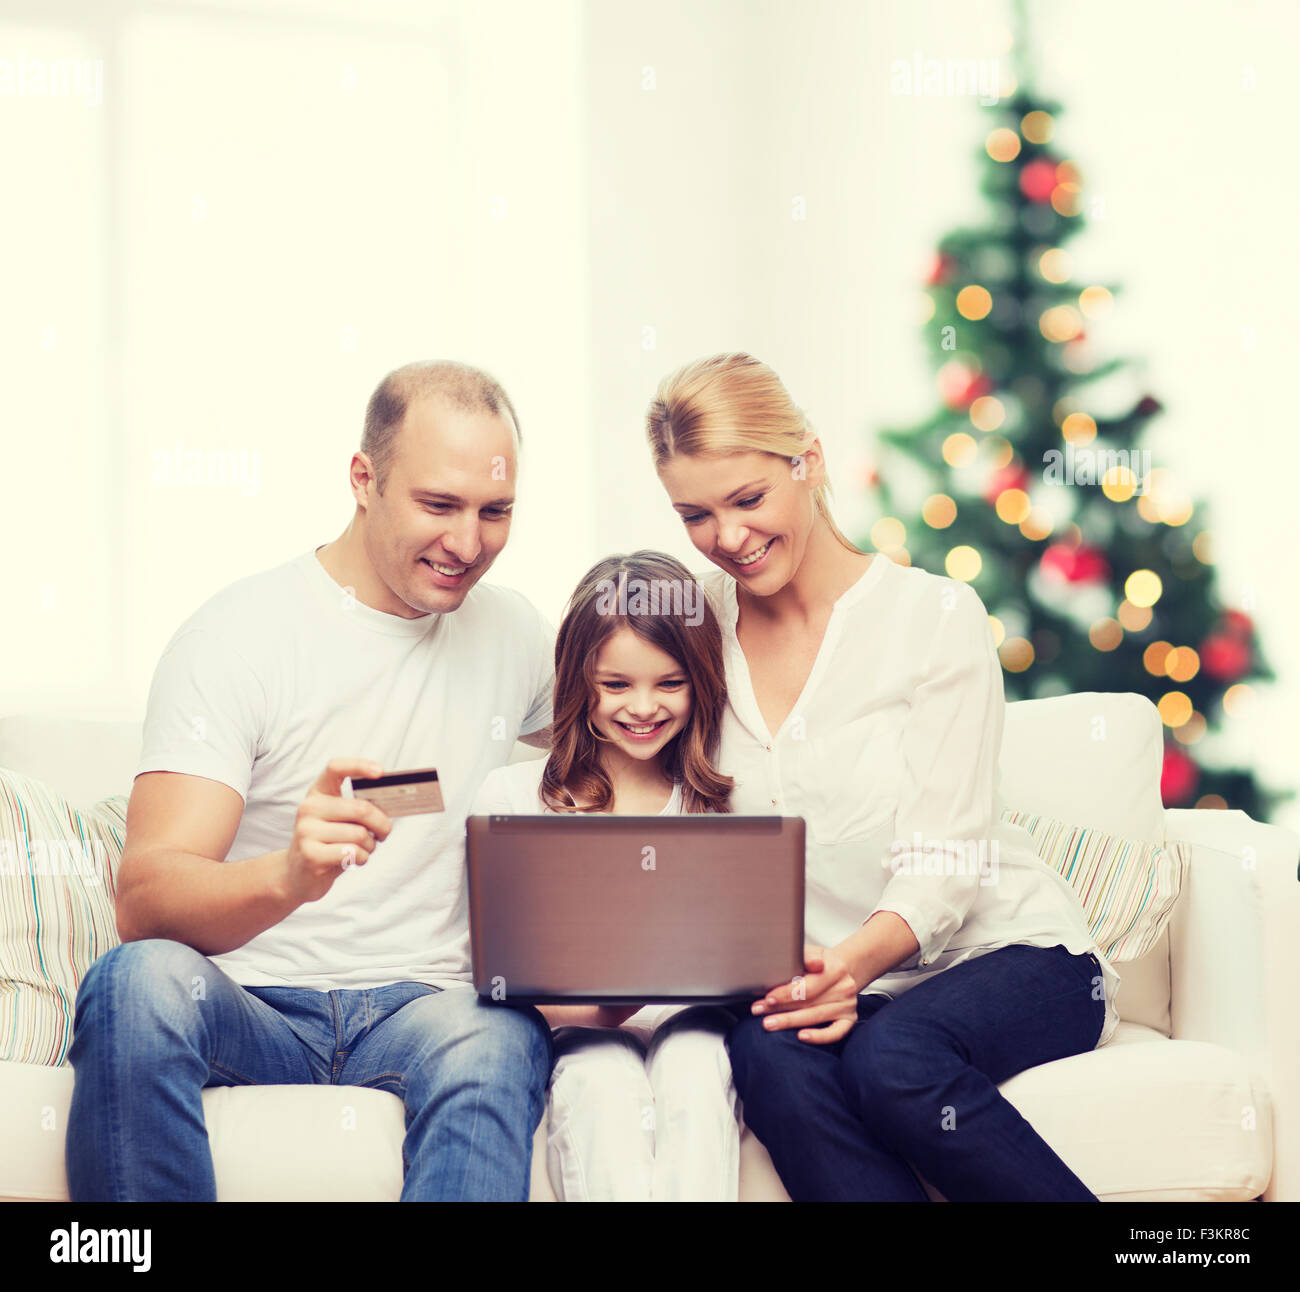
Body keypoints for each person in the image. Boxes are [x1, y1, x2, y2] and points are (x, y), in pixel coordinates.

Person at [66, 360, 557, 1202]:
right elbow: (144, 900)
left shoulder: (512, 631)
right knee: (133, 982)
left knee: (500, 1035)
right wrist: (289, 875)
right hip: (253, 1001)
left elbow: (623, 757)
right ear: (364, 480)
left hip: (429, 1007)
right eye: (438, 505)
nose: (467, 543)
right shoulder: (238, 636)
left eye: (495, 511)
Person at [644, 351, 1122, 1202]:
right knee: (763, 1052)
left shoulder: (932, 619)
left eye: (749, 499)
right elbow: (589, 704)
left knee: (891, 1057)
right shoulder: (688, 634)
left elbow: (946, 862)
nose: (728, 538)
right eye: (696, 515)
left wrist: (850, 969)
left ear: (809, 460)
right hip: (835, 982)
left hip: (1009, 955)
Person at [471, 551, 743, 1201]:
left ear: (700, 682)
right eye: (615, 686)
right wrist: (602, 1008)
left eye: (669, 684)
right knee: (601, 1079)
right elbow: (496, 975)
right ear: (577, 683)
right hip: (578, 1029)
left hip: (697, 1024)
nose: (642, 708)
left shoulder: (724, 802)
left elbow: (748, 957)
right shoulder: (513, 797)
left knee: (697, 1067)